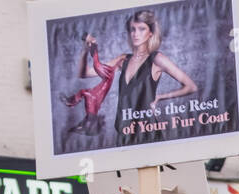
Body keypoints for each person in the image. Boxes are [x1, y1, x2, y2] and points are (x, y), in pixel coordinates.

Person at [79, 10, 198, 147]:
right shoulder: (123, 60)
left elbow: (191, 86)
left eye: (142, 29)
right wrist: (85, 51)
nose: (136, 34)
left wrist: (161, 96)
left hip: (148, 133)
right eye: (133, 29)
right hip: (125, 132)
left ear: (150, 33)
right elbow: (85, 73)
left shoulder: (157, 59)